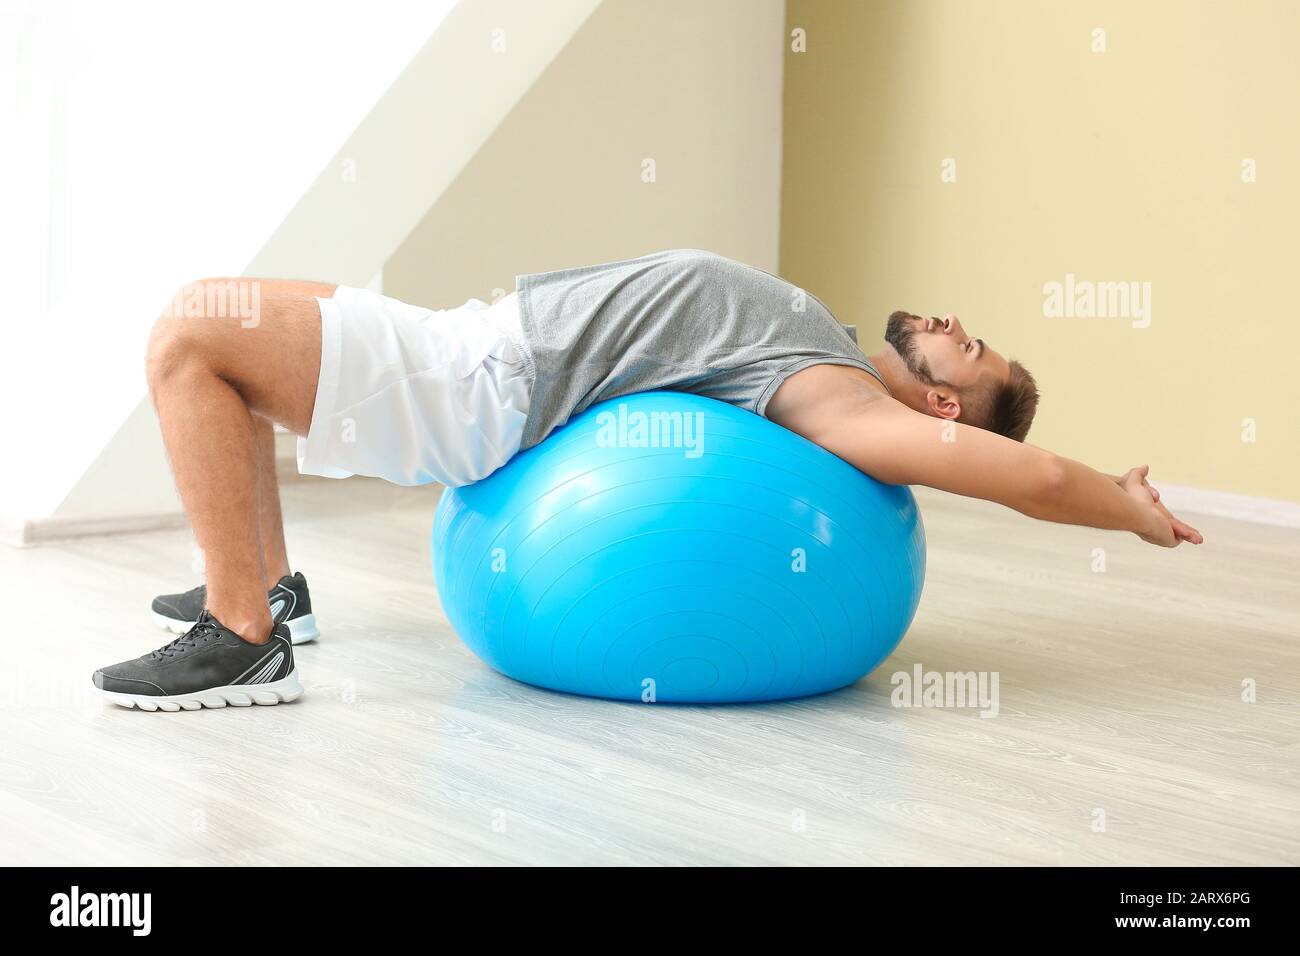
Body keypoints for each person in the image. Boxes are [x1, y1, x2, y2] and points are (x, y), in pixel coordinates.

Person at [92, 249, 1202, 710]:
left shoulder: (838, 397)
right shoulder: (829, 345)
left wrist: (1121, 503)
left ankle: (245, 636)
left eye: (973, 349)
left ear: (946, 405)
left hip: (480, 386)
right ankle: (272, 583)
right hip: (474, 343)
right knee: (223, 312)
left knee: (190, 335)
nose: (957, 327)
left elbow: (1027, 474)